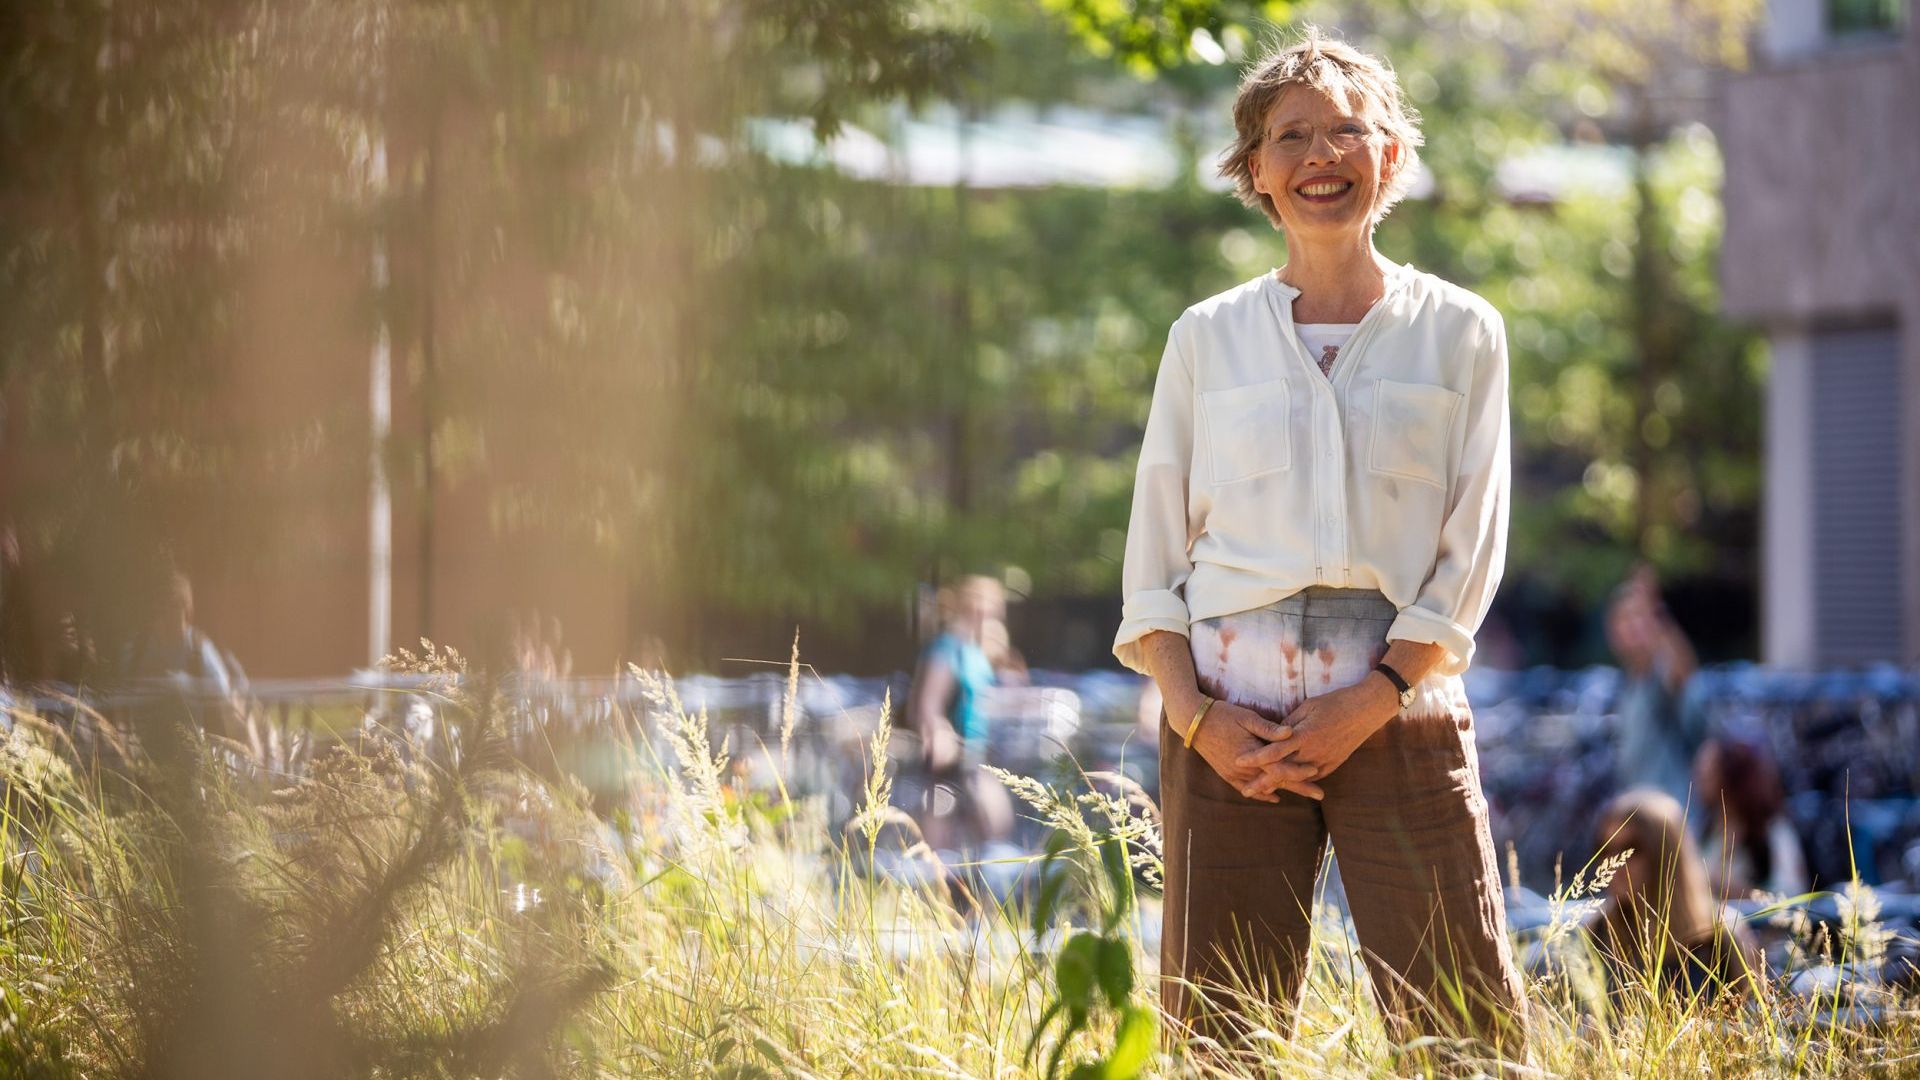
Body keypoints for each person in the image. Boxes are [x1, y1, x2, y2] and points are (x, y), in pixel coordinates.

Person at [1111, 31, 1527, 1056]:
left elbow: (1473, 543)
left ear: (1392, 157)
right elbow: (1154, 562)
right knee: (1218, 1042)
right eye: (1290, 135)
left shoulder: (1464, 332)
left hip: (1402, 713)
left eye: (1348, 130)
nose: (1320, 154)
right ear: (1255, 170)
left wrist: (1377, 695)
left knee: (1465, 1038)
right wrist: (1198, 721)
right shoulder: (1204, 337)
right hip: (1227, 730)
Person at [1584, 789, 1766, 1001]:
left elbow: (1753, 1020)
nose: (1614, 863)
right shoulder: (1598, 933)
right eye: (1605, 849)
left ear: (1666, 854)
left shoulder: (1721, 934)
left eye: (1630, 850)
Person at [908, 574, 1014, 853]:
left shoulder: (977, 651)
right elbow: (928, 703)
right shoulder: (947, 648)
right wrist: (939, 734)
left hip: (978, 751)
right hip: (953, 755)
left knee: (994, 826)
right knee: (943, 828)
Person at [1605, 562, 1701, 808]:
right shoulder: (1627, 684)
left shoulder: (1661, 676)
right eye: (1624, 620)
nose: (1632, 627)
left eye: (1639, 618)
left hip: (1673, 817)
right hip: (1640, 816)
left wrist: (1656, 610)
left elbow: (1684, 671)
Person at [1692, 738, 1809, 899]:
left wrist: (1728, 888)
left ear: (1731, 776)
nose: (1699, 778)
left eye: (1709, 772)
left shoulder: (1771, 832)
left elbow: (1791, 895)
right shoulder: (1707, 829)